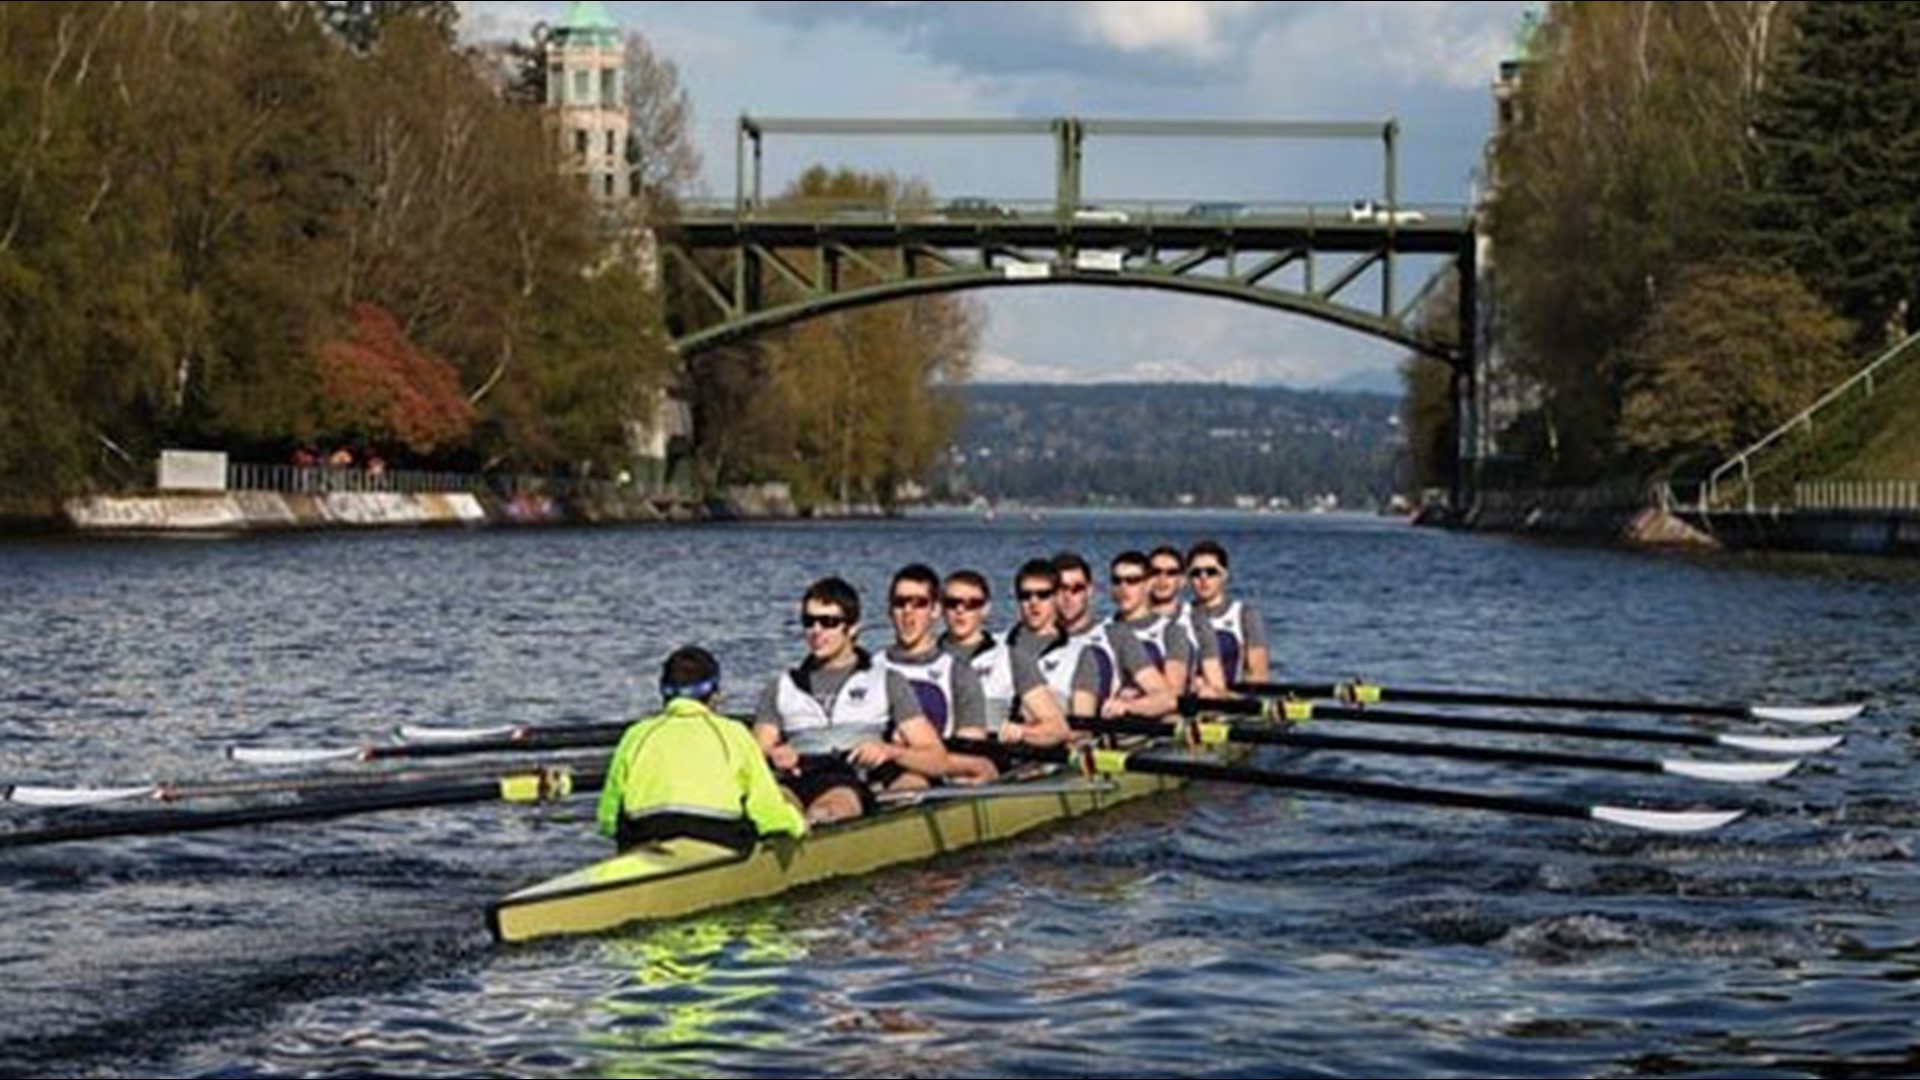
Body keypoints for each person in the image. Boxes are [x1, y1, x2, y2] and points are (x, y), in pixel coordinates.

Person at [753, 577, 950, 823]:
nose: (816, 631)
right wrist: (773, 754)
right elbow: (753, 756)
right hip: (798, 778)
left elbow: (938, 760)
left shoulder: (886, 681)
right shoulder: (782, 686)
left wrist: (890, 751)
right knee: (770, 804)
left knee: (831, 807)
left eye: (829, 622)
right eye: (809, 621)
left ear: (853, 627)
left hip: (855, 783)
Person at [596, 646, 806, 852]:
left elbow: (607, 820)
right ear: (715, 695)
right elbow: (767, 814)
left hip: (646, 835)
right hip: (718, 837)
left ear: (663, 692)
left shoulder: (636, 735)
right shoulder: (734, 734)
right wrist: (798, 824)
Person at [874, 564, 994, 783]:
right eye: (900, 603)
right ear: (890, 610)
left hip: (935, 774)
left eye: (919, 604)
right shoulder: (872, 668)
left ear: (935, 611)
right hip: (876, 769)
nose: (908, 612)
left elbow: (970, 750)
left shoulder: (958, 673)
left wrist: (911, 755)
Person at [939, 568, 1072, 751]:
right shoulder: (921, 659)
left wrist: (1024, 732)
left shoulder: (1011, 658)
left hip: (992, 759)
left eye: (972, 604)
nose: (960, 610)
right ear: (940, 608)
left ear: (985, 609)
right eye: (952, 603)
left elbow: (1058, 729)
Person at [1070, 551, 1181, 721]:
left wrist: (1132, 704)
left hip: (1156, 722)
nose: (1123, 588)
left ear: (1149, 584)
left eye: (1132, 581)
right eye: (1117, 581)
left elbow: (1173, 696)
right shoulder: (1102, 630)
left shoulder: (1172, 631)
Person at [1186, 539, 1272, 689]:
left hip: (1230, 705)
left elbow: (1258, 675)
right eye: (1196, 573)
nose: (1203, 578)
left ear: (1224, 575)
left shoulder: (1244, 615)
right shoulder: (1181, 615)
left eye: (1211, 572)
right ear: (1188, 579)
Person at [1147, 544, 1226, 697]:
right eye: (1155, 572)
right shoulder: (1121, 623)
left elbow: (1218, 688)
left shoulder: (1199, 624)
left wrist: (1204, 690)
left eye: (1171, 573)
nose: (1162, 579)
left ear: (1182, 580)